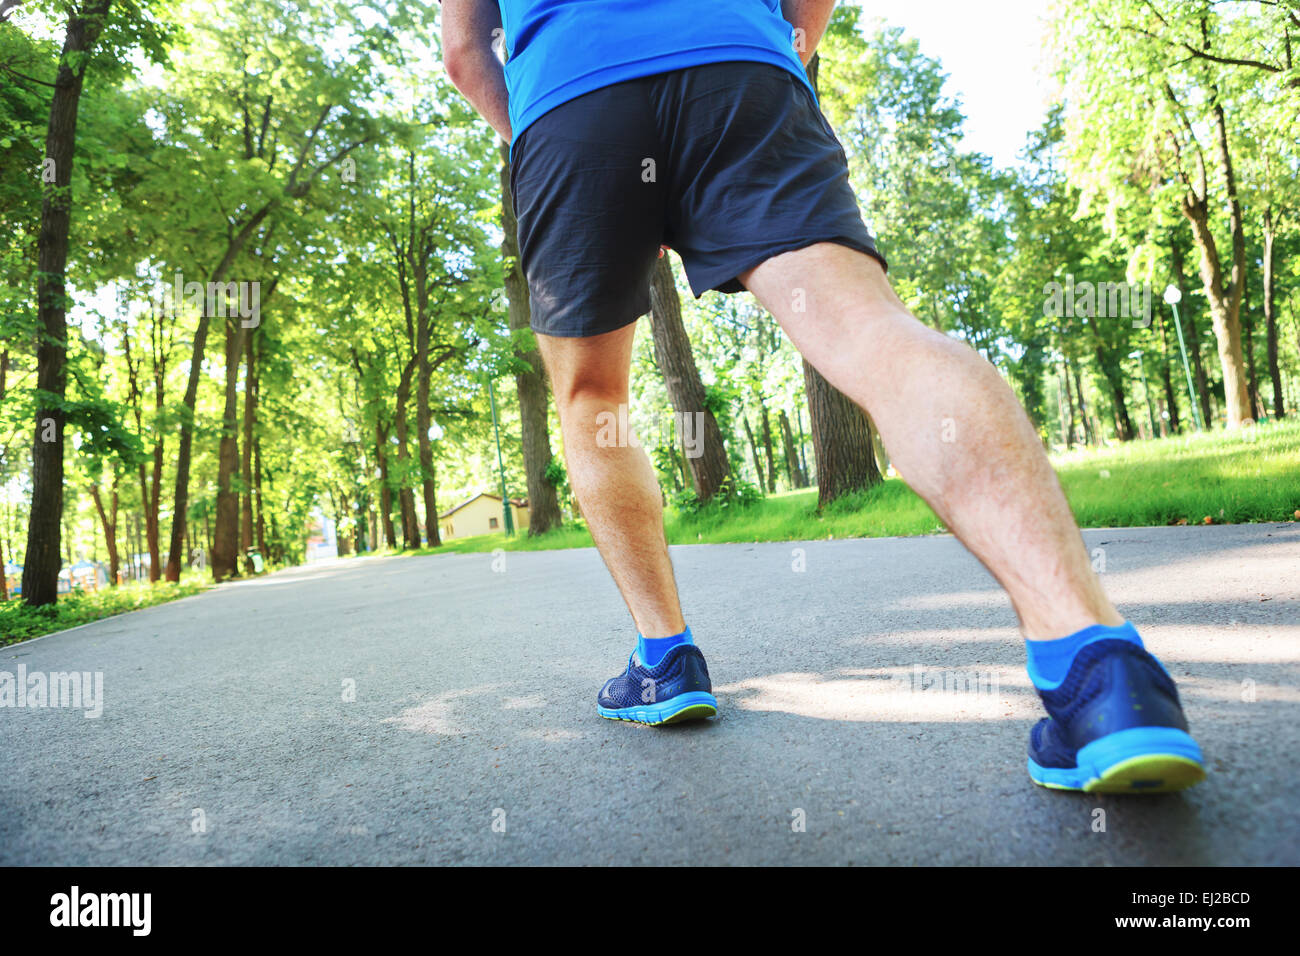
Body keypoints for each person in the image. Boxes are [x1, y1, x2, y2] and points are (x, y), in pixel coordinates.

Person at [442, 0, 1205, 793]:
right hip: (739, 63)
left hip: (568, 96)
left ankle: (664, 658)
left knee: (594, 398)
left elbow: (464, 52)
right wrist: (770, 57)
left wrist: (554, 131)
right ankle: (1097, 664)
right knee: (873, 333)